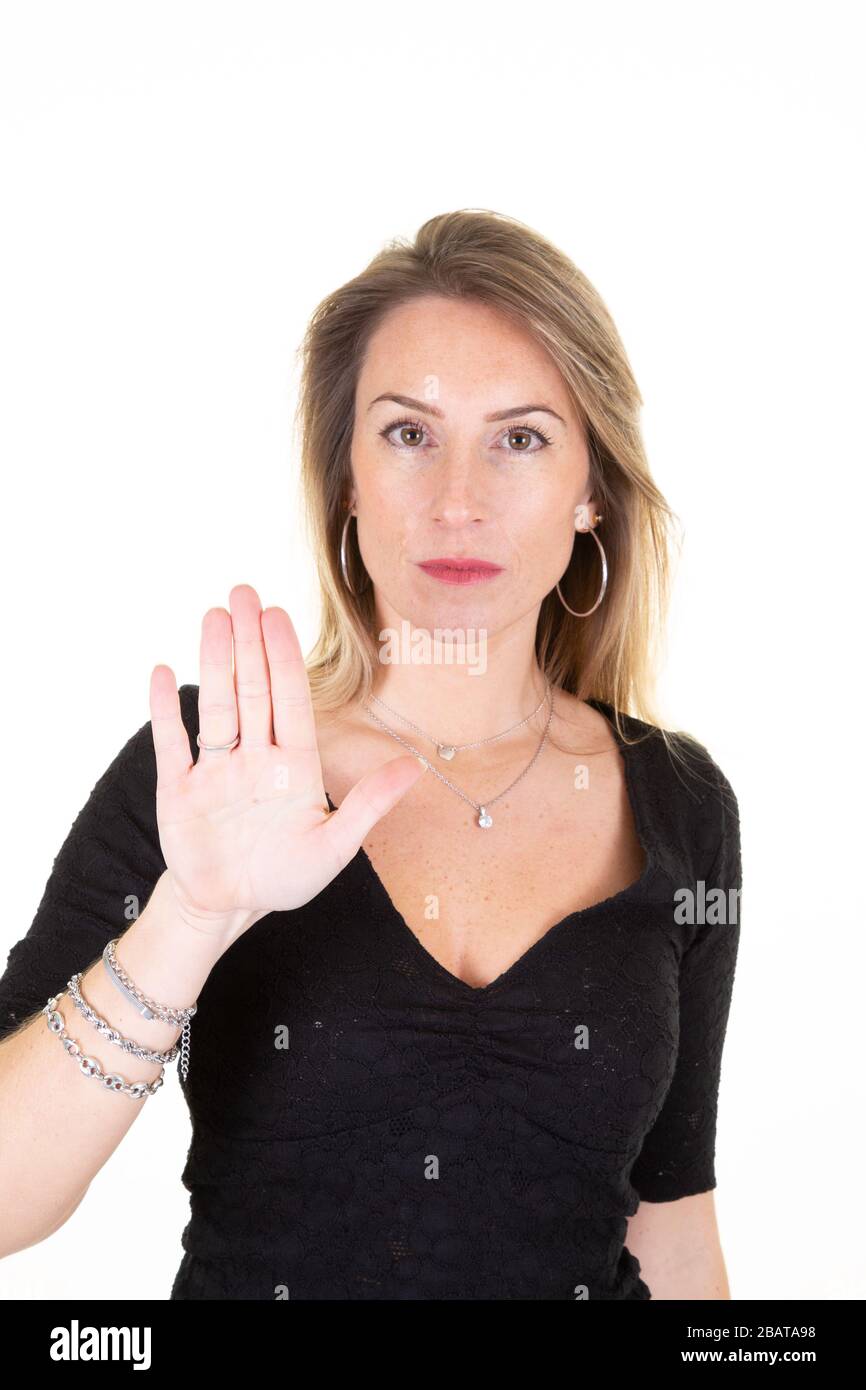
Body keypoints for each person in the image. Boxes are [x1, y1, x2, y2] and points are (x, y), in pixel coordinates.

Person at [0, 209, 742, 1300]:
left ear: (592, 490)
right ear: (344, 472)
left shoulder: (677, 800)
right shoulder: (216, 763)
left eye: (520, 438)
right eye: (406, 432)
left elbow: (673, 1221)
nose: (456, 499)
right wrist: (192, 918)